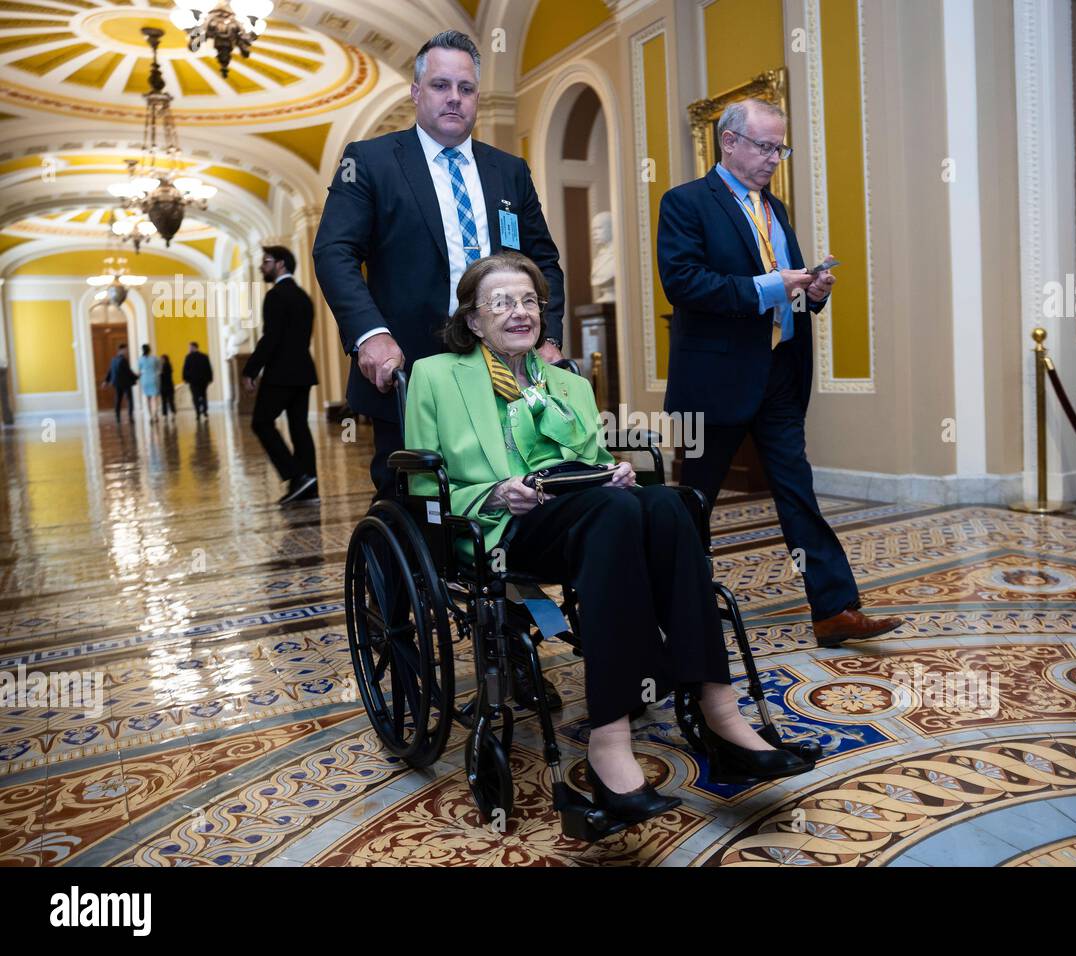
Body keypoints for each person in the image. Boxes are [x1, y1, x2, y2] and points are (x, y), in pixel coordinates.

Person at [405, 252, 813, 825]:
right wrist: (496, 493)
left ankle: (720, 709)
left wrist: (616, 469)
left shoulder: (568, 383)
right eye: (501, 302)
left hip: (589, 517)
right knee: (614, 513)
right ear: (473, 319)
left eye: (528, 301)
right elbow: (422, 487)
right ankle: (609, 740)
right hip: (503, 527)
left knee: (665, 504)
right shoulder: (436, 376)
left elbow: (591, 462)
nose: (519, 312)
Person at [657, 98, 903, 649]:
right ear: (729, 142)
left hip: (779, 375)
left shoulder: (778, 209)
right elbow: (684, 283)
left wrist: (810, 293)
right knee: (696, 500)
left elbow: (785, 287)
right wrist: (772, 286)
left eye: (780, 148)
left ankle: (833, 608)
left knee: (798, 490)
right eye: (765, 146)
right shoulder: (686, 203)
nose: (774, 158)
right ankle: (683, 606)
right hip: (714, 380)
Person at [313, 29, 566, 504]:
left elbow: (543, 260)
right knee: (412, 496)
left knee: (512, 486)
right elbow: (334, 252)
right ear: (416, 92)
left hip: (508, 366)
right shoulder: (369, 162)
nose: (454, 98)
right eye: (440, 85)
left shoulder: (509, 169)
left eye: (466, 89)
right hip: (409, 368)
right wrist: (370, 334)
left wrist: (547, 336)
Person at [243, 245, 319, 504]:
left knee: (261, 423)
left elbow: (271, 337)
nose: (261, 266)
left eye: (266, 261)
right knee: (299, 427)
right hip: (304, 371)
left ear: (281, 264)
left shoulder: (276, 295)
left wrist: (251, 369)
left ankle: (296, 476)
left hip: (281, 374)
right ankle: (310, 488)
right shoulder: (303, 296)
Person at [103, 343, 137, 424]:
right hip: (125, 383)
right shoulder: (123, 360)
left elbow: (110, 371)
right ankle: (130, 416)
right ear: (122, 350)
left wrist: (106, 381)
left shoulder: (113, 359)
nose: (127, 351)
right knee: (130, 399)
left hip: (116, 383)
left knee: (118, 400)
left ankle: (117, 417)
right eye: (126, 349)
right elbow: (128, 372)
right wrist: (136, 377)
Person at [181, 342, 212, 419]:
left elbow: (185, 369)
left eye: (190, 347)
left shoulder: (188, 357)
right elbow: (208, 368)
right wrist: (210, 378)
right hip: (203, 380)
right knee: (203, 395)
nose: (189, 349)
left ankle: (198, 413)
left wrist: (185, 379)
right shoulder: (204, 356)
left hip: (193, 381)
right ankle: (205, 411)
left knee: (195, 397)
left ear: (193, 347)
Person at [138, 344, 160, 421]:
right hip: (153, 379)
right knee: (155, 399)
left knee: (148, 398)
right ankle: (155, 414)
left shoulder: (140, 359)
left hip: (145, 380)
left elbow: (139, 371)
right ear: (149, 350)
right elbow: (159, 369)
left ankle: (150, 416)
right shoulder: (154, 358)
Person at [159, 355, 176, 419]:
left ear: (164, 359)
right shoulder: (169, 366)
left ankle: (165, 415)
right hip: (169, 386)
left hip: (164, 387)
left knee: (164, 401)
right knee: (171, 401)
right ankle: (173, 413)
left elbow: (161, 376)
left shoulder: (163, 367)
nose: (161, 360)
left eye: (162, 359)